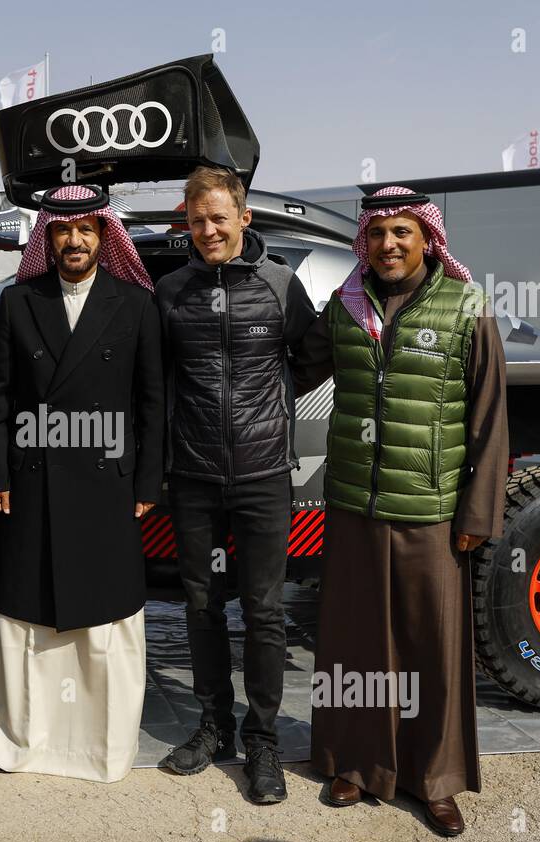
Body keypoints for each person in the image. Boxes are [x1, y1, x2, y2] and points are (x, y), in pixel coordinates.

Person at [294, 185, 509, 837]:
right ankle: (355, 765)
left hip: (433, 511)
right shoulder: (346, 304)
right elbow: (295, 367)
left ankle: (433, 781)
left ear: (426, 238)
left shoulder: (467, 306)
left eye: (402, 233)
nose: (388, 245)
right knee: (356, 646)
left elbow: (491, 415)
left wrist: (478, 512)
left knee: (431, 647)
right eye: (378, 233)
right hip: (356, 505)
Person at [0, 183, 163, 783]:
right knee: (22, 613)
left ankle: (95, 747)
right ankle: (7, 742)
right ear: (47, 237)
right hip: (32, 480)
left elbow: (152, 401)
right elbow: (0, 396)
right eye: (62, 230)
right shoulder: (22, 301)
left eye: (86, 230)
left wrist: (147, 479)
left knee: (102, 614)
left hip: (108, 486)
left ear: (104, 235)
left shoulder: (137, 304)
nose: (74, 240)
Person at [155, 165, 320, 804]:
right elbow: (157, 380)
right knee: (200, 606)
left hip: (262, 475)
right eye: (196, 221)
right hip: (192, 476)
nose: (207, 231)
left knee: (265, 610)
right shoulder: (170, 291)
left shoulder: (280, 286)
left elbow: (309, 358)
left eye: (219, 218)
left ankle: (264, 742)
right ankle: (213, 726)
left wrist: (266, 407)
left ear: (244, 218)